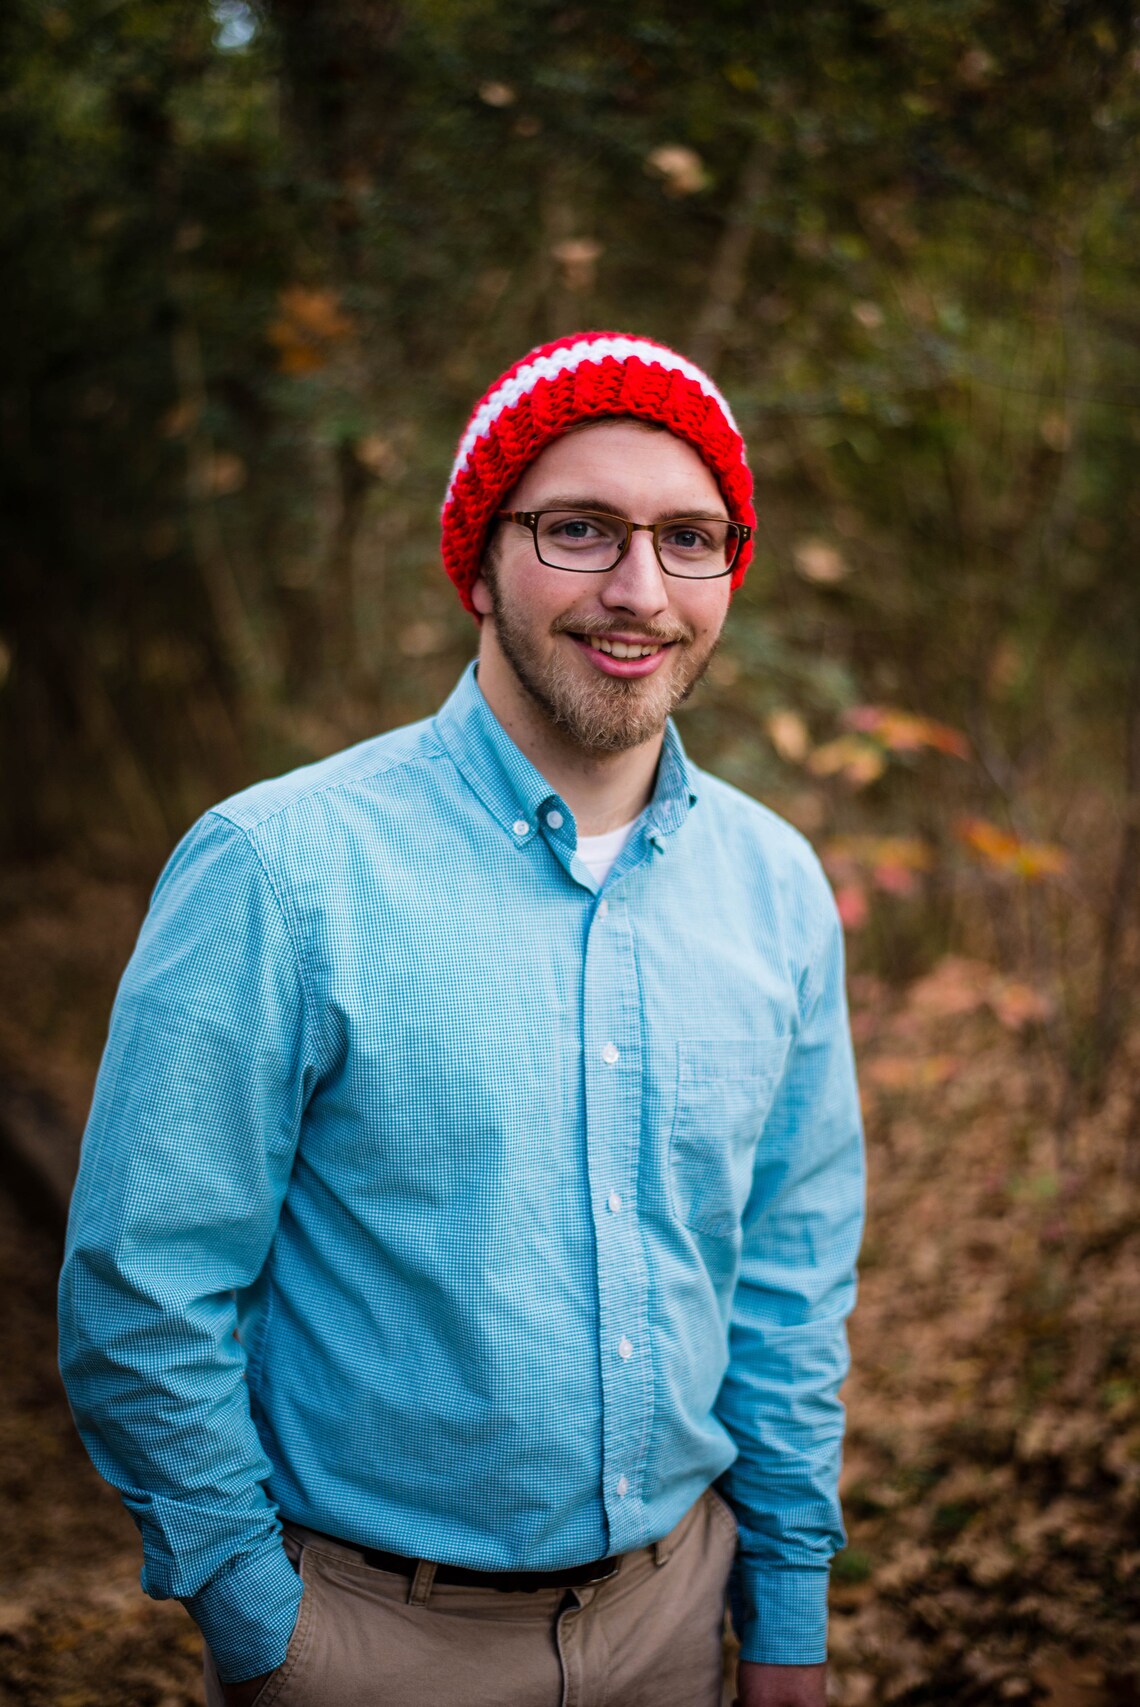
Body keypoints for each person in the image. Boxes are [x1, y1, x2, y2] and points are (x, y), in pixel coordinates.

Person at [59, 332, 864, 1707]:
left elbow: (789, 1278)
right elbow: (145, 1286)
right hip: (367, 1643)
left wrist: (785, 1604)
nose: (639, 591)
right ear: (480, 561)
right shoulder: (280, 870)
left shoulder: (775, 884)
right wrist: (263, 1622)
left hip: (678, 1625)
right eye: (579, 531)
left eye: (690, 539)